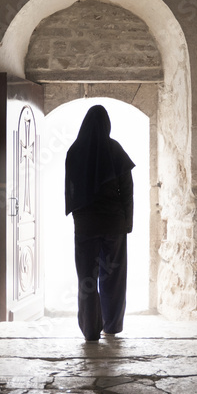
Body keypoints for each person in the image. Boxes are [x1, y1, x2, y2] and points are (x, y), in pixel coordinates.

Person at [65, 105, 135, 342]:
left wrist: (77, 216)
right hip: (114, 223)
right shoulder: (115, 149)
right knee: (113, 276)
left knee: (86, 278)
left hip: (86, 224)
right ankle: (112, 326)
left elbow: (71, 190)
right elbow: (127, 190)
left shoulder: (75, 151)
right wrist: (127, 223)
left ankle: (90, 331)